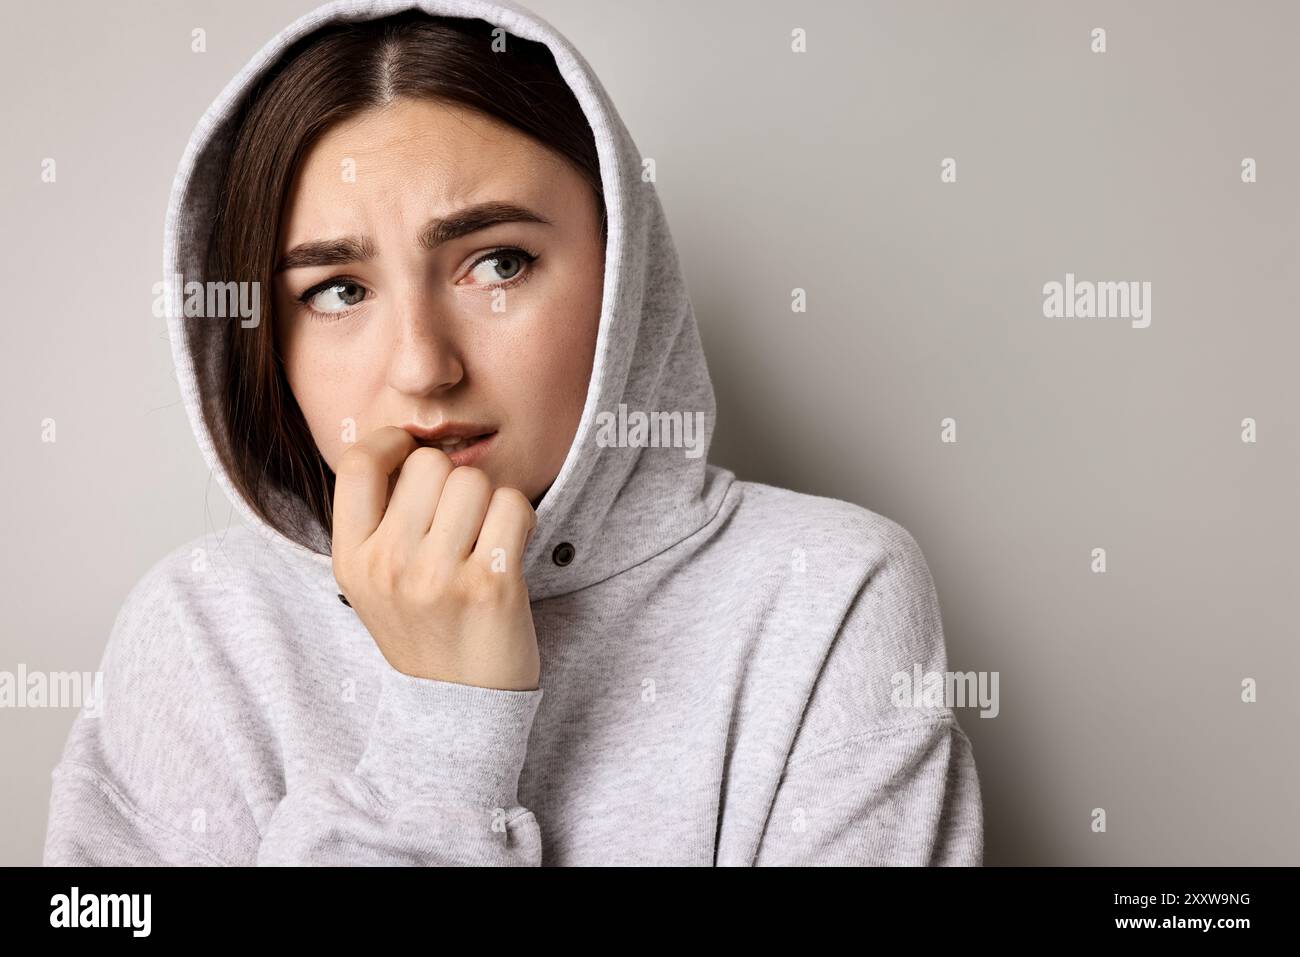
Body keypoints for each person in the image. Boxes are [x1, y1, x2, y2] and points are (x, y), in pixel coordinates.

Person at [43, 0, 983, 866]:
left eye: (498, 262)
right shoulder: (203, 629)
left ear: (624, 277)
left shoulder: (826, 597)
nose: (423, 366)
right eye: (338, 289)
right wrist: (443, 732)